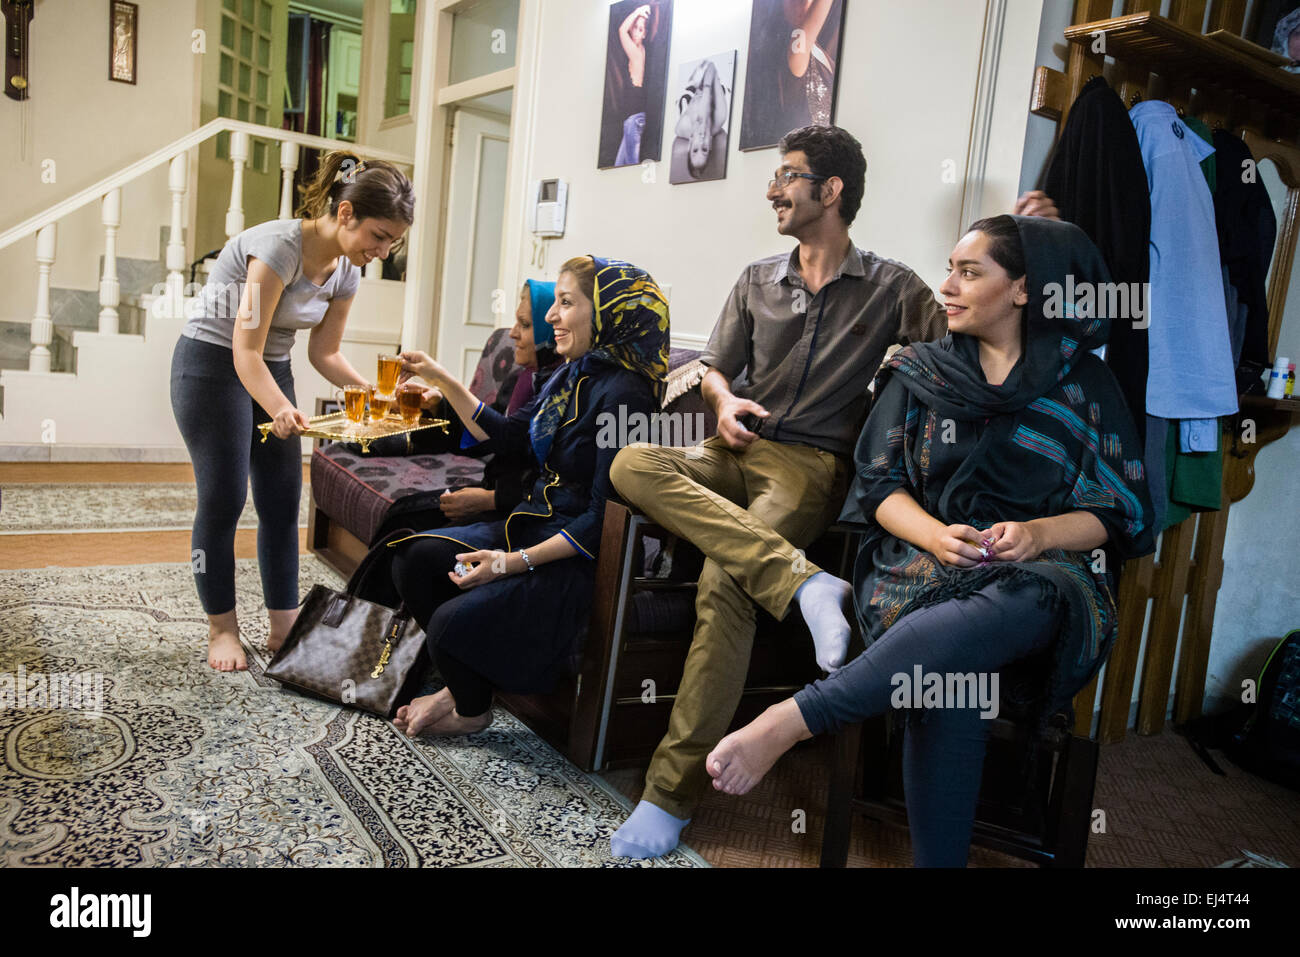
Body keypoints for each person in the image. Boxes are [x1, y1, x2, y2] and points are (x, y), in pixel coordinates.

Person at [605, 123, 1062, 859]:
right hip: (733, 445)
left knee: (727, 581)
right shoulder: (757, 279)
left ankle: (669, 794)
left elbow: (968, 334)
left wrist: (1024, 251)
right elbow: (715, 365)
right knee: (630, 462)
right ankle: (805, 582)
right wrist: (722, 402)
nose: (772, 188)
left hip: (811, 466)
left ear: (832, 190)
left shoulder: (895, 288)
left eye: (786, 175)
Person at [704, 215, 1156, 867]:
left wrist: (1034, 534)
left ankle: (794, 718)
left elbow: (1118, 511)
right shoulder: (919, 370)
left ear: (1027, 288)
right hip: (919, 563)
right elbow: (879, 486)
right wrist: (938, 536)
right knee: (951, 667)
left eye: (970, 273)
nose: (946, 285)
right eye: (949, 268)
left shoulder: (1086, 383)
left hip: (1043, 579)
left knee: (1018, 600)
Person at [386, 257, 668, 737]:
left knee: (450, 625)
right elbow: (511, 438)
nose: (552, 317)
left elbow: (603, 520)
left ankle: (467, 702)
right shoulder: (572, 373)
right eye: (554, 302)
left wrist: (511, 563)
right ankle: (467, 693)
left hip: (579, 557)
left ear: (608, 311)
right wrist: (443, 379)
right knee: (413, 558)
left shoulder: (628, 395)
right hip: (531, 523)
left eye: (566, 303)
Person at [170, 150, 414, 672]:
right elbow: (244, 350)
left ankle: (283, 625)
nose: (383, 250)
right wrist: (280, 408)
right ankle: (222, 630)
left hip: (269, 366)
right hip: (211, 365)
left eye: (392, 242)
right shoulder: (278, 250)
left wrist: (375, 393)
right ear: (345, 213)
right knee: (224, 496)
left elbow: (323, 353)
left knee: (282, 499)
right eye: (379, 235)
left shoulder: (348, 270)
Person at [364, 280, 564, 542]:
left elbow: (508, 438)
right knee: (401, 514)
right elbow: (483, 438)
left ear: (552, 332)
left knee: (415, 547)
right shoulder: (526, 377)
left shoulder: (562, 388)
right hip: (496, 490)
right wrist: (439, 405)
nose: (512, 333)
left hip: (522, 508)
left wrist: (442, 380)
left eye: (525, 325)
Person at [671, 59, 730, 182]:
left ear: (690, 145)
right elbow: (712, 66)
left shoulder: (682, 128)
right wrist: (707, 93)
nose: (701, 143)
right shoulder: (720, 117)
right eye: (704, 150)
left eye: (695, 149)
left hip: (692, 83)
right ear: (710, 147)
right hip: (714, 79)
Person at [614, 4, 655, 166]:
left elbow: (621, 31)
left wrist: (638, 12)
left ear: (645, 33)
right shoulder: (640, 49)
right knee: (619, 165)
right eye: (635, 27)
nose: (636, 31)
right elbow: (627, 30)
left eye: (641, 29)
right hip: (632, 119)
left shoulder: (637, 54)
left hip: (634, 119)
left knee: (631, 165)